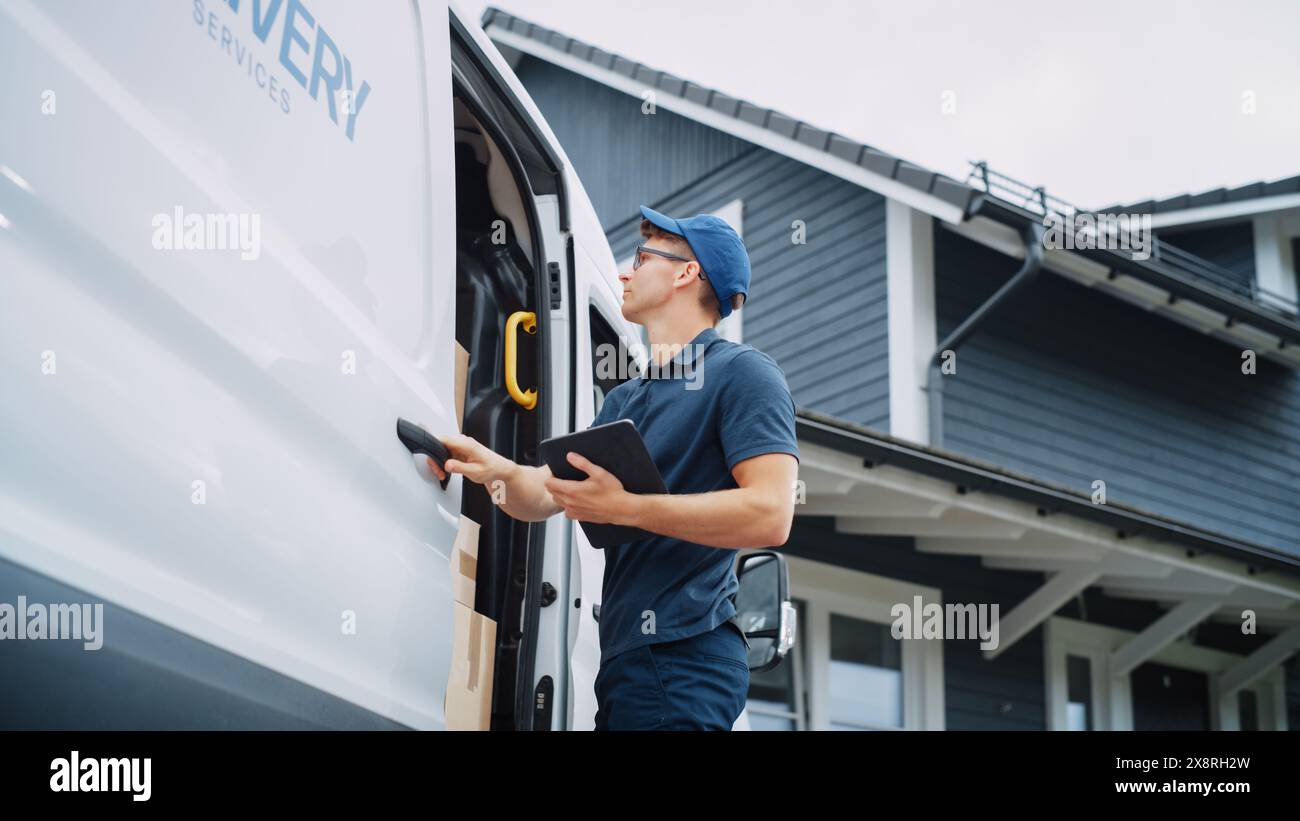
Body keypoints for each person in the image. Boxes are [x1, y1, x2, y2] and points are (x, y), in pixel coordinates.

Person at [431, 204, 799, 730]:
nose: (625, 272)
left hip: (684, 655)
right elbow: (545, 494)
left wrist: (627, 508)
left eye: (642, 256)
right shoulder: (627, 398)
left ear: (685, 272)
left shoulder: (744, 375)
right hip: (629, 659)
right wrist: (497, 468)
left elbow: (770, 514)